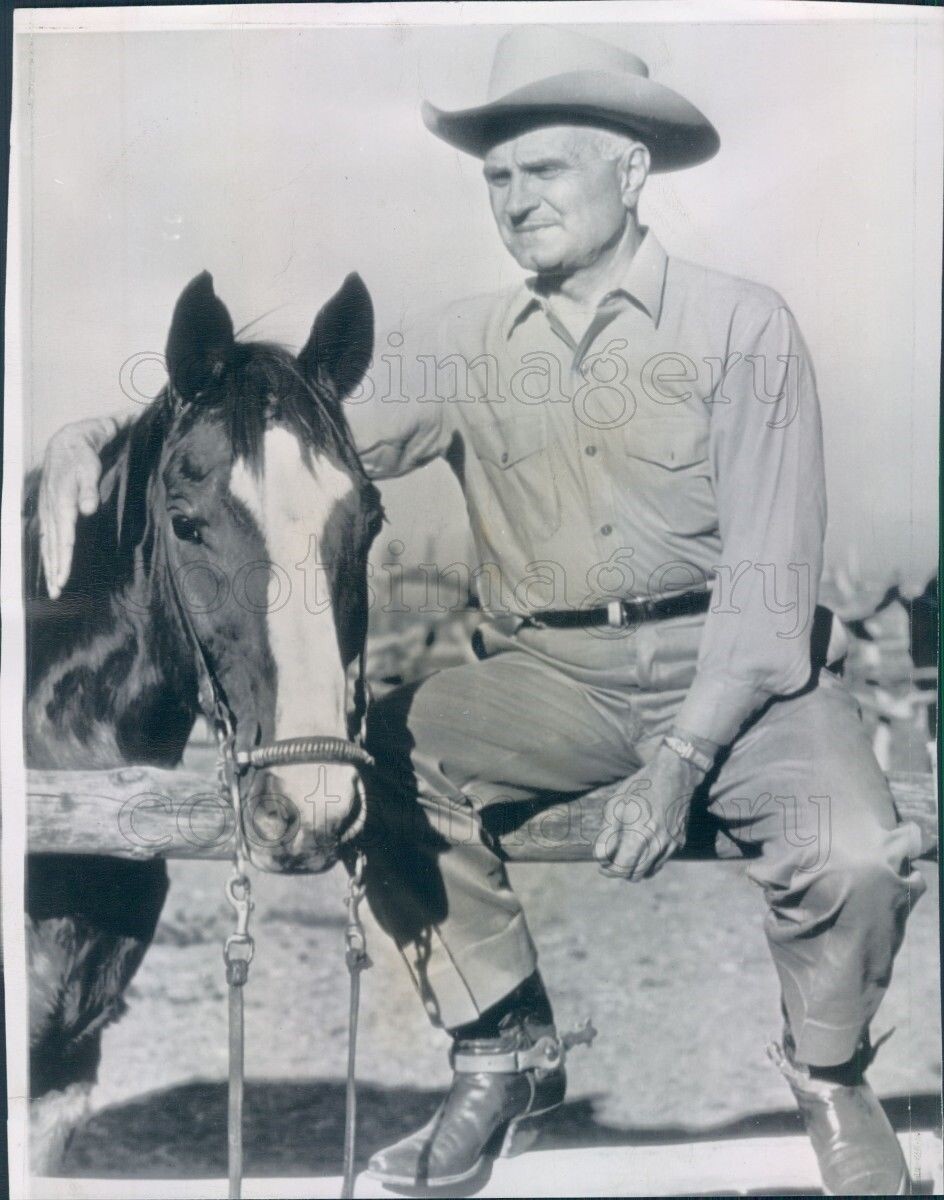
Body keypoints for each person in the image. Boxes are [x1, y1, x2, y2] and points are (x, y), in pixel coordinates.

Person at [39, 27, 925, 1196]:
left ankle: (830, 1077)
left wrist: (677, 763)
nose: (512, 200)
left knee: (856, 849)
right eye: (495, 179)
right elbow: (275, 433)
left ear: (628, 171)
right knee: (377, 763)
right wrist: (101, 433)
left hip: (744, 678)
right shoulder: (460, 343)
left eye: (540, 171)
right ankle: (501, 1049)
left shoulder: (742, 328)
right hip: (546, 679)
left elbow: (769, 591)